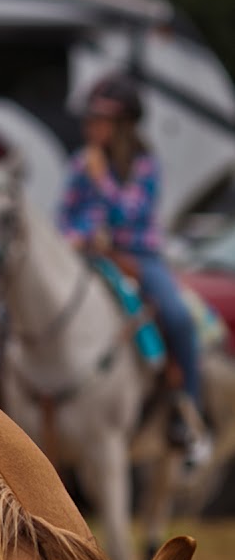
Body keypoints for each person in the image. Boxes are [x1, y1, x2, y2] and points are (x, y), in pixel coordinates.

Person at [56, 71, 211, 466]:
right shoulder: (80, 163)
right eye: (89, 119)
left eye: (99, 119)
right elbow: (66, 215)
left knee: (177, 318)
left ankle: (186, 415)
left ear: (122, 124)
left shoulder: (144, 166)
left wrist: (102, 180)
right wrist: (76, 235)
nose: (90, 127)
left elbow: (131, 214)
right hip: (89, 256)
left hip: (138, 257)